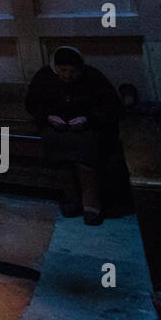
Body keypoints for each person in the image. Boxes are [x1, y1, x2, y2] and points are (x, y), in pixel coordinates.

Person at [25, 46, 122, 225]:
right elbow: (32, 102)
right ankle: (72, 198)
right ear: (56, 68)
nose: (68, 76)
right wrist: (48, 116)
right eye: (63, 70)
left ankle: (91, 201)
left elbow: (110, 105)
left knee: (87, 146)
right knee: (55, 144)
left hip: (87, 127)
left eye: (72, 71)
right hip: (56, 127)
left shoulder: (92, 77)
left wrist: (88, 119)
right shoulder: (44, 77)